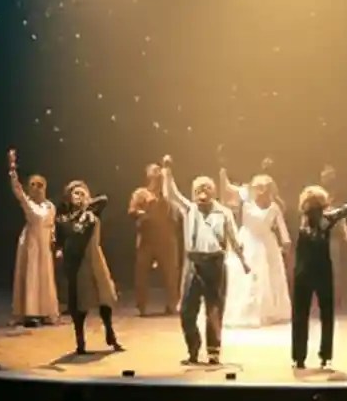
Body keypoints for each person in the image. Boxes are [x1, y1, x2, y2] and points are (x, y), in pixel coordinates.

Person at [162, 155, 249, 365]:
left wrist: (243, 261)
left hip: (215, 263)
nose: (203, 192)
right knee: (186, 310)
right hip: (194, 263)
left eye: (207, 188)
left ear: (214, 191)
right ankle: (193, 348)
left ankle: (213, 352)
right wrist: (167, 172)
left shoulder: (224, 212)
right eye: (199, 188)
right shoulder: (189, 209)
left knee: (214, 310)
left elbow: (234, 239)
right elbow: (171, 195)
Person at [292, 183, 347, 369]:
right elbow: (346, 210)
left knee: (303, 315)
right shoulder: (321, 220)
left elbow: (345, 211)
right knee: (324, 314)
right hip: (319, 271)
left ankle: (301, 357)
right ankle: (323, 355)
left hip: (304, 272)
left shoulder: (307, 220)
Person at [218, 168, 293, 327]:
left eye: (264, 187)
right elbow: (228, 188)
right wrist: (223, 173)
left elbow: (281, 227)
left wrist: (286, 243)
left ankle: (268, 311)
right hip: (248, 241)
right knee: (246, 276)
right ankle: (246, 310)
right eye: (258, 187)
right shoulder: (246, 201)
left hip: (267, 244)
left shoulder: (274, 207)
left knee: (268, 276)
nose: (261, 190)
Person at [55, 181, 123, 354]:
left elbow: (104, 200)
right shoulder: (65, 219)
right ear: (68, 198)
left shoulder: (92, 212)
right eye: (75, 194)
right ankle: (80, 341)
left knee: (105, 297)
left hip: (96, 258)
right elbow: (65, 236)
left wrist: (86, 205)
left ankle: (110, 334)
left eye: (82, 193)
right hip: (79, 262)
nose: (79, 196)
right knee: (80, 303)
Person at [8, 149, 60, 327]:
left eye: (40, 185)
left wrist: (53, 240)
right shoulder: (27, 202)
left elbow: (52, 225)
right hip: (31, 242)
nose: (37, 188)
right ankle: (31, 312)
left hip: (44, 242)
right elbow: (17, 190)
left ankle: (45, 310)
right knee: (32, 274)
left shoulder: (50, 206)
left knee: (45, 275)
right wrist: (12, 169)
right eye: (33, 185)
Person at [129, 163, 181, 317]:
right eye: (154, 171)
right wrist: (145, 213)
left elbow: (176, 210)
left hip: (166, 238)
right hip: (147, 238)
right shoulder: (141, 193)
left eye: (159, 172)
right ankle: (141, 305)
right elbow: (131, 211)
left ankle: (172, 304)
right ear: (147, 175)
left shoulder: (167, 194)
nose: (157, 174)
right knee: (142, 273)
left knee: (171, 273)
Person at [320, 165, 347, 310]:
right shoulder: (316, 194)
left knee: (333, 268)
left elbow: (341, 217)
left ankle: (334, 299)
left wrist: (345, 233)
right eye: (326, 174)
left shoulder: (337, 196)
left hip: (331, 238)